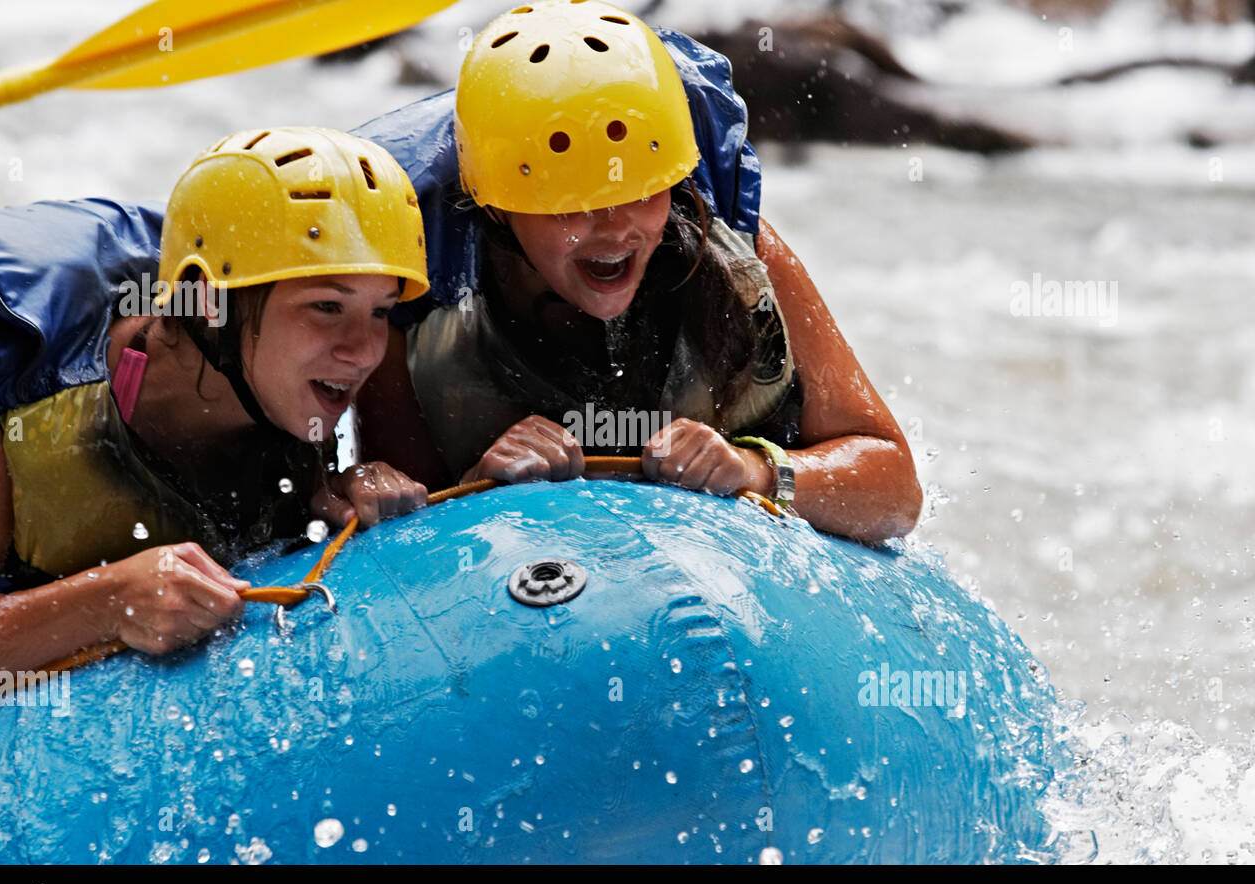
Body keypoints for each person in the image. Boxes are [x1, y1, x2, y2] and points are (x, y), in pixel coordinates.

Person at [355, 0, 921, 542]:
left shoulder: (740, 257)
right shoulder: (417, 302)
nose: (614, 230)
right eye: (570, 202)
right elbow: (399, 514)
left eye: (641, 190)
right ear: (496, 206)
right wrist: (476, 484)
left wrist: (755, 472)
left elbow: (896, 490)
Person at [0, 127, 430, 675]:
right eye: (327, 306)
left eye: (381, 311)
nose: (363, 351)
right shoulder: (3, 389)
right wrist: (104, 602)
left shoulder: (288, 368)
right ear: (210, 305)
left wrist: (346, 486)